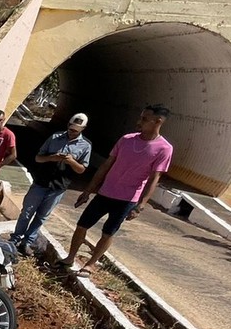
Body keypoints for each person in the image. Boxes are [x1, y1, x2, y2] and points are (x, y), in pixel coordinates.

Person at [62, 104, 173, 277]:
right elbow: (106, 165)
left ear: (158, 121)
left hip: (127, 199)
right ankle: (70, 257)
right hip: (105, 192)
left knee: (108, 232)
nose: (139, 121)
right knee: (82, 225)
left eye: (144, 119)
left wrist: (141, 205)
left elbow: (154, 178)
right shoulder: (127, 139)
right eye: (140, 117)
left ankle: (90, 265)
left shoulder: (164, 148)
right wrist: (88, 190)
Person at [11, 113, 92, 256]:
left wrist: (71, 161)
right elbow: (38, 158)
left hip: (59, 187)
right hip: (41, 182)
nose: (72, 131)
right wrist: (52, 157)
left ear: (83, 129)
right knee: (27, 212)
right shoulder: (55, 138)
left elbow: (81, 169)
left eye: (75, 129)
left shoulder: (85, 146)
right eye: (70, 127)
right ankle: (15, 239)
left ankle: (27, 242)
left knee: (42, 216)